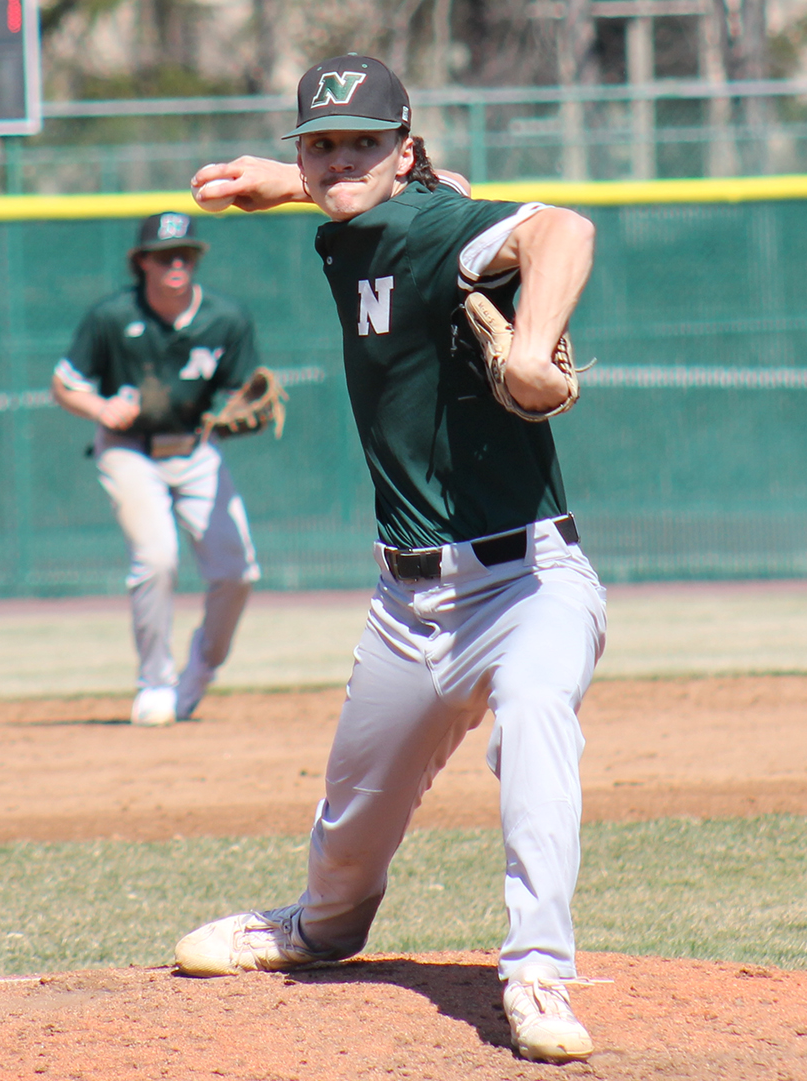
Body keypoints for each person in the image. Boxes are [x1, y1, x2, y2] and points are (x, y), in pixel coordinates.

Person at [172, 55, 607, 1063]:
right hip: (410, 609)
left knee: (536, 714)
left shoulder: (430, 225)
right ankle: (317, 926)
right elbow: (379, 189)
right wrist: (283, 181)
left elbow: (564, 228)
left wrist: (534, 343)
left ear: (404, 149)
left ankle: (538, 966)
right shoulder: (360, 221)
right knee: (347, 841)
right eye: (320, 143)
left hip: (528, 582)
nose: (337, 160)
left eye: (364, 141)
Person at [51, 212, 264, 727]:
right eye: (165, 255)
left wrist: (242, 407)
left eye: (186, 255)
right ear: (141, 262)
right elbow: (63, 385)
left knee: (237, 573)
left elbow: (244, 392)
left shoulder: (225, 319)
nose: (177, 263)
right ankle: (154, 682)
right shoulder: (111, 317)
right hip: (129, 448)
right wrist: (100, 409)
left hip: (195, 450)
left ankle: (199, 672)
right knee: (157, 558)